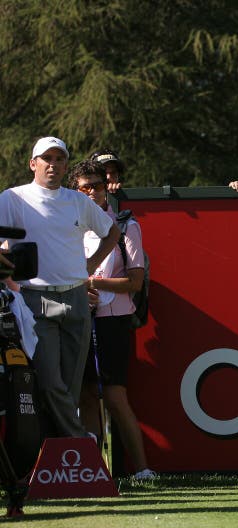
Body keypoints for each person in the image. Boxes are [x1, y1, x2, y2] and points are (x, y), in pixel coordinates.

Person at [0, 137, 121, 439]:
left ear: (65, 165)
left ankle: (58, 457)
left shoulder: (78, 200)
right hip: (33, 300)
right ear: (33, 163)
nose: (52, 164)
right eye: (46, 159)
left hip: (76, 296)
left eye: (58, 159)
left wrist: (89, 267)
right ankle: (80, 442)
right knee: (50, 381)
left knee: (69, 382)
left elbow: (112, 232)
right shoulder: (12, 198)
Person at [67, 160, 156, 480]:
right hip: (79, 318)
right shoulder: (70, 224)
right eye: (84, 187)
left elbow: (134, 282)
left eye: (97, 185)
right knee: (86, 395)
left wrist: (92, 284)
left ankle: (143, 469)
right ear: (75, 191)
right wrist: (80, 292)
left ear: (106, 187)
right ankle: (95, 471)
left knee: (115, 397)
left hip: (114, 321)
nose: (91, 192)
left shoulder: (125, 224)